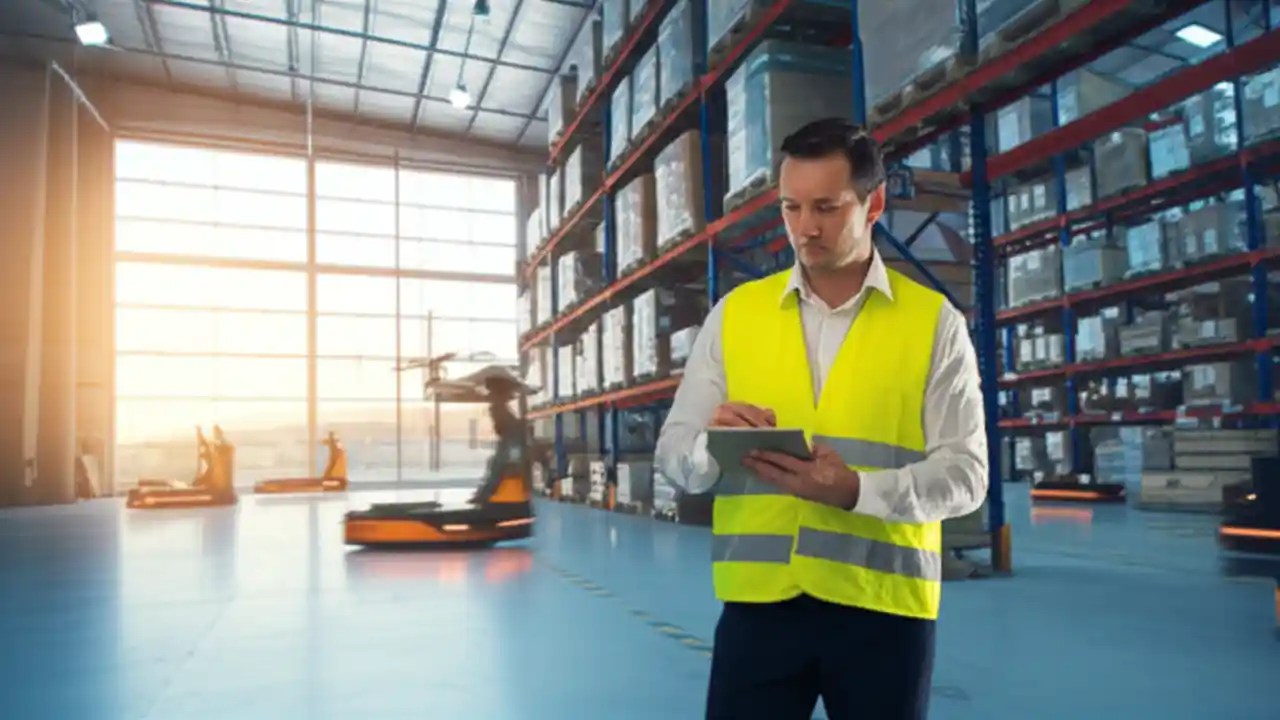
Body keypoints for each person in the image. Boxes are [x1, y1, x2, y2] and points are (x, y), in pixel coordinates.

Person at [654, 117, 988, 720]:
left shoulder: (934, 325)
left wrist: (858, 490)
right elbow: (674, 452)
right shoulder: (737, 315)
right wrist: (710, 446)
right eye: (791, 207)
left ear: (875, 201)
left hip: (883, 611)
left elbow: (967, 475)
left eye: (828, 207)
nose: (805, 228)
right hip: (760, 610)